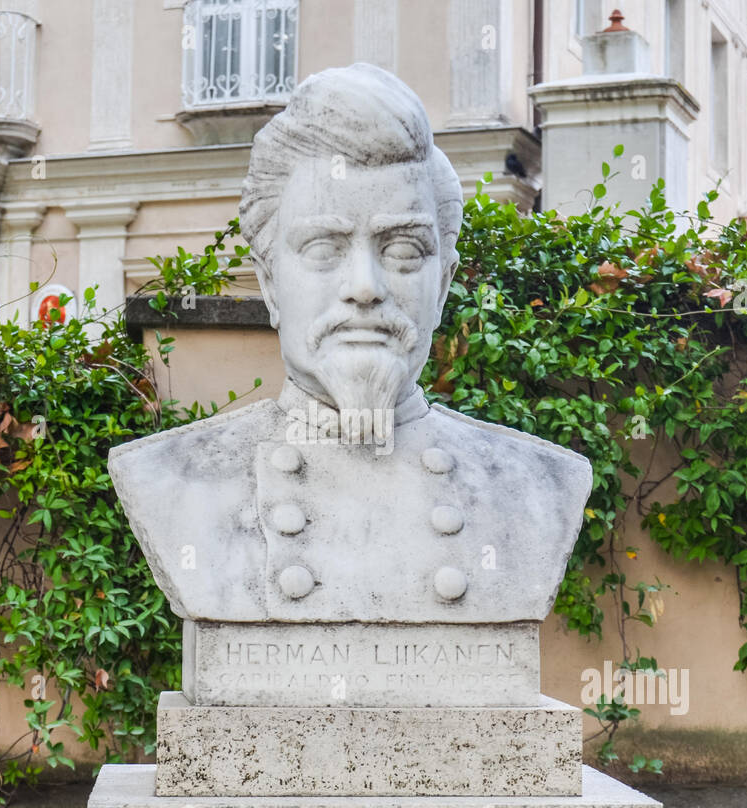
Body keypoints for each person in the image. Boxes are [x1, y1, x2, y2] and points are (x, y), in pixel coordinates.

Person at [109, 63, 591, 625]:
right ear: (269, 283)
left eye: (404, 250)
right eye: (323, 247)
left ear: (442, 285)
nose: (365, 287)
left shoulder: (538, 485)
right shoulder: (170, 479)